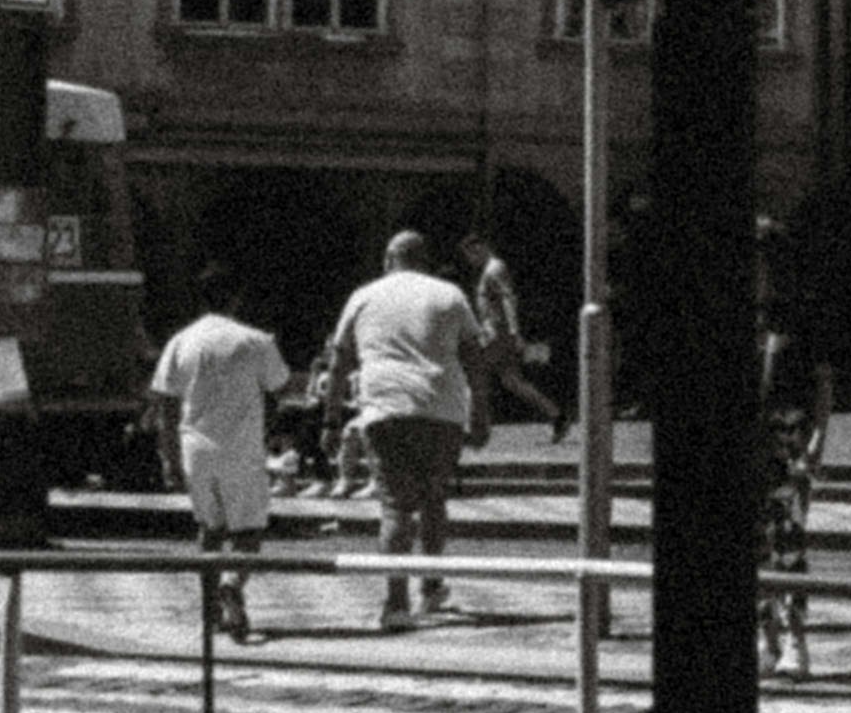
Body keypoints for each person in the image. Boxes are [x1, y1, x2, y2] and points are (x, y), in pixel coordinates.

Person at [320, 229, 482, 629]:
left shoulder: (363, 296)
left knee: (394, 506)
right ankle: (431, 587)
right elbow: (475, 358)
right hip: (442, 408)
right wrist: (481, 415)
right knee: (433, 497)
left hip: (384, 409)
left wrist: (330, 419)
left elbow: (339, 361)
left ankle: (395, 603)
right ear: (424, 259)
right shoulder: (450, 295)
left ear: (388, 259)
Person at [146, 262, 292, 643]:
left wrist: (169, 457)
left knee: (208, 530)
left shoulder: (182, 341)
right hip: (240, 447)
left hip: (195, 445)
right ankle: (232, 582)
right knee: (249, 530)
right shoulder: (256, 340)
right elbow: (280, 388)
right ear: (237, 298)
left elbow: (165, 403)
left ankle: (210, 608)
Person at [755, 234, 835, 673]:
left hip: (787, 441)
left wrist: (818, 438)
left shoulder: (798, 319)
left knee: (788, 542)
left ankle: (797, 640)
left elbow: (823, 382)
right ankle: (767, 639)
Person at [456, 225, 555, 436]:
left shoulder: (495, 268)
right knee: (512, 381)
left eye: (470, 254)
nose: (470, 261)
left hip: (498, 334)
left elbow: (509, 298)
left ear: (480, 248)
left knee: (472, 371)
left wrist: (514, 331)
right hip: (496, 333)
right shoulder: (490, 269)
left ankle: (470, 426)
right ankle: (556, 415)